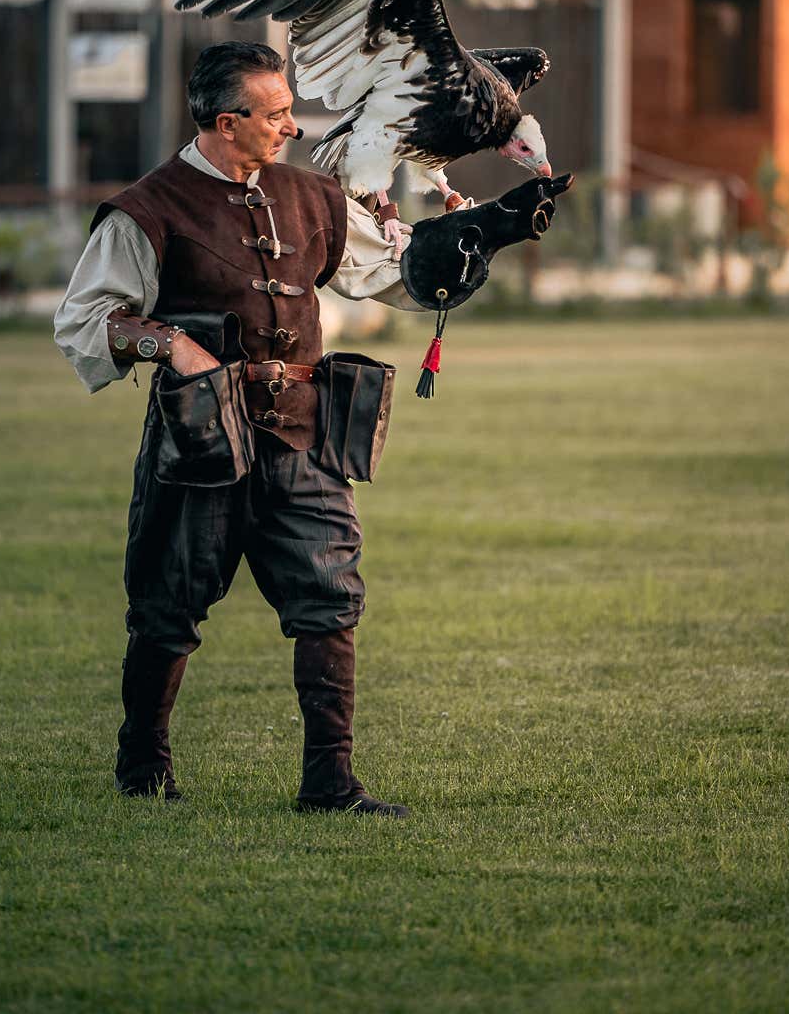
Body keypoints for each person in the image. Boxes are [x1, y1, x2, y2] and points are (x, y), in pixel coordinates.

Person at [53, 40, 569, 816]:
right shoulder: (148, 209)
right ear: (227, 123)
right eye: (277, 114)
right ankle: (142, 763)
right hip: (199, 440)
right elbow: (85, 321)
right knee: (167, 607)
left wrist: (485, 232)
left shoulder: (307, 195)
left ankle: (329, 783)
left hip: (301, 434)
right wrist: (171, 342)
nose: (295, 128)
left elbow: (391, 271)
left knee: (329, 599)